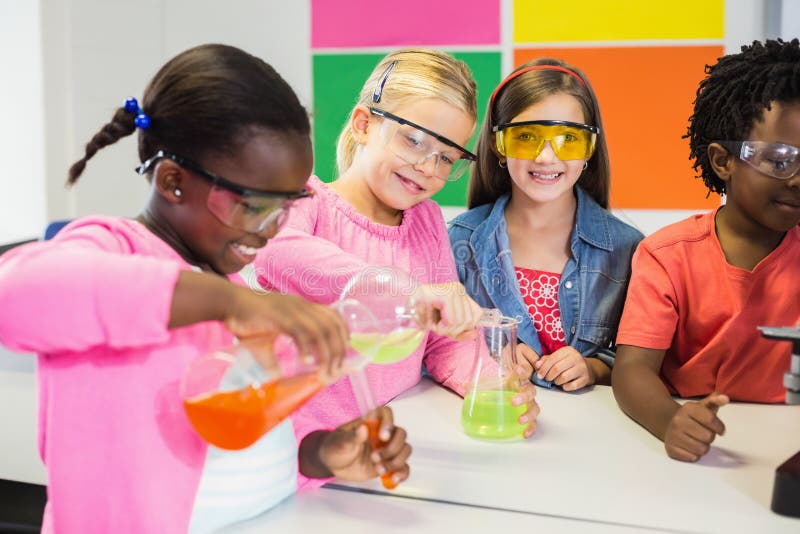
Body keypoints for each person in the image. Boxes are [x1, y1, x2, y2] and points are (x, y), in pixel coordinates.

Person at [0, 44, 411, 533]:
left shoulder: (229, 281)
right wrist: (225, 300)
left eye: (288, 206)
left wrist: (319, 453)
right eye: (257, 206)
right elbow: (16, 294)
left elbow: (246, 418)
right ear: (173, 182)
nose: (273, 229)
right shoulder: (116, 252)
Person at [254, 49, 540, 489]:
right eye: (414, 140)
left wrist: (490, 380)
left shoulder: (424, 222)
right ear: (364, 124)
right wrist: (407, 291)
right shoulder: (306, 200)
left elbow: (442, 343)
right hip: (305, 453)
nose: (428, 167)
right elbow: (279, 254)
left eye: (447, 157)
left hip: (384, 444)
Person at [612, 38, 800, 462]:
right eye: (780, 160)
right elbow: (632, 370)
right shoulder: (667, 255)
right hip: (696, 446)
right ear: (722, 161)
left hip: (783, 448)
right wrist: (669, 421)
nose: (796, 180)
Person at [448, 58, 643, 392]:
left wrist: (594, 367)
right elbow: (436, 345)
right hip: (498, 427)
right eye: (526, 136)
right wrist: (486, 351)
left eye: (568, 138)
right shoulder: (458, 241)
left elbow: (643, 359)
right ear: (499, 144)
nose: (546, 157)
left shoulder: (629, 249)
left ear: (590, 149)